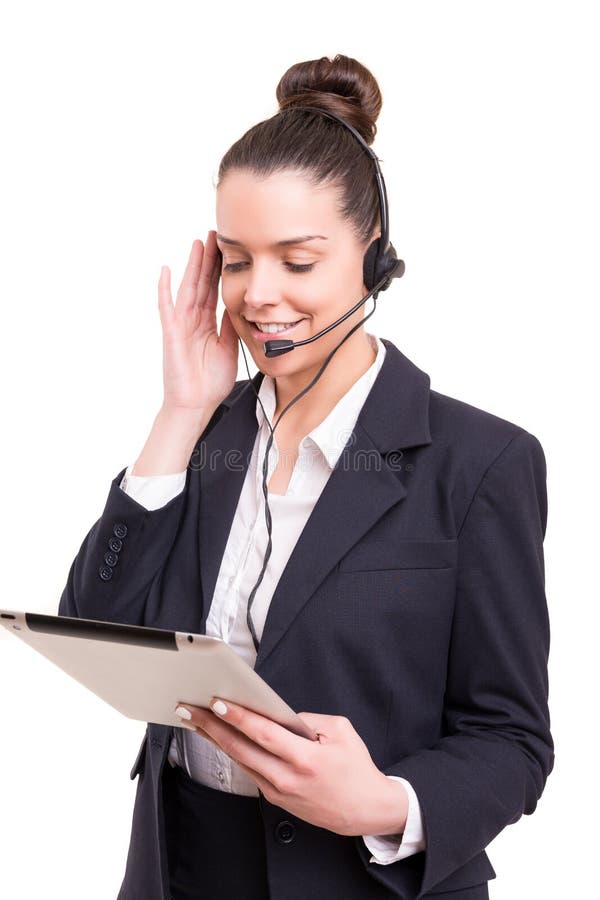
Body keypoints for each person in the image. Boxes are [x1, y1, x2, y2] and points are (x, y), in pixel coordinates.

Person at [58, 54, 554, 900]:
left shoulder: (480, 464)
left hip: (358, 879)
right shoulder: (205, 436)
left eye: (298, 260)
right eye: (237, 260)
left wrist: (387, 802)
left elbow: (511, 740)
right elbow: (98, 627)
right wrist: (179, 413)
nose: (259, 296)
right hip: (180, 868)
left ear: (373, 258)